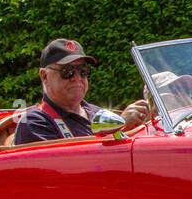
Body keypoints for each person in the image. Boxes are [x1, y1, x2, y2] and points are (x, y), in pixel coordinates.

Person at [14, 38, 151, 144]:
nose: (77, 78)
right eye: (68, 71)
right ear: (44, 76)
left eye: (83, 71)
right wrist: (122, 125)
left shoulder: (97, 113)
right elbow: (69, 169)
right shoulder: (34, 123)